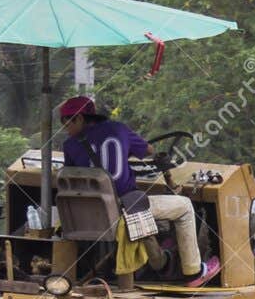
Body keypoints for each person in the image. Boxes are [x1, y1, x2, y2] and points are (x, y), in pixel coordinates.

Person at [57, 96, 220, 286]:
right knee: (183, 206)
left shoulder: (70, 145)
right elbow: (149, 150)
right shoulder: (118, 129)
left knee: (138, 203)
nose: (64, 127)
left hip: (89, 216)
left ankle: (163, 263)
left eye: (66, 121)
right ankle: (193, 272)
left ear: (80, 118)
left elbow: (73, 173)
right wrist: (127, 150)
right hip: (123, 210)